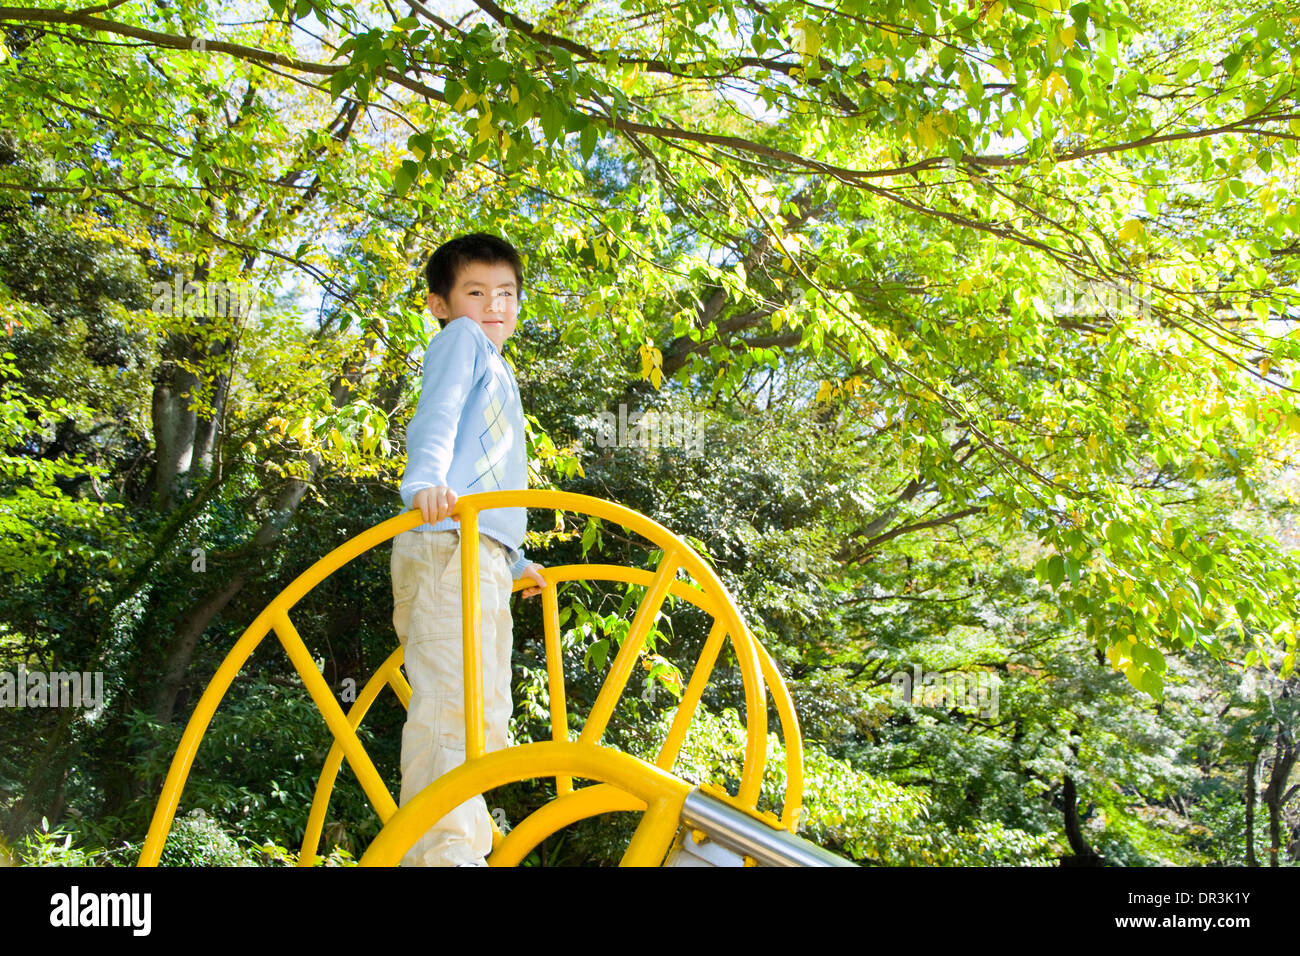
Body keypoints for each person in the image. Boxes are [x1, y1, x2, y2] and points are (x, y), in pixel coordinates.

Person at [391, 232, 547, 867]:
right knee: (452, 701)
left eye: (505, 294)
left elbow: (493, 477)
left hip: (479, 549)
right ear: (441, 304)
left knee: (485, 711)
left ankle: (464, 846)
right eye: (476, 292)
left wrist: (512, 558)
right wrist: (425, 480)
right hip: (444, 542)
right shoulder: (460, 341)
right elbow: (438, 412)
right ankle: (440, 854)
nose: (493, 305)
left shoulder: (500, 367)